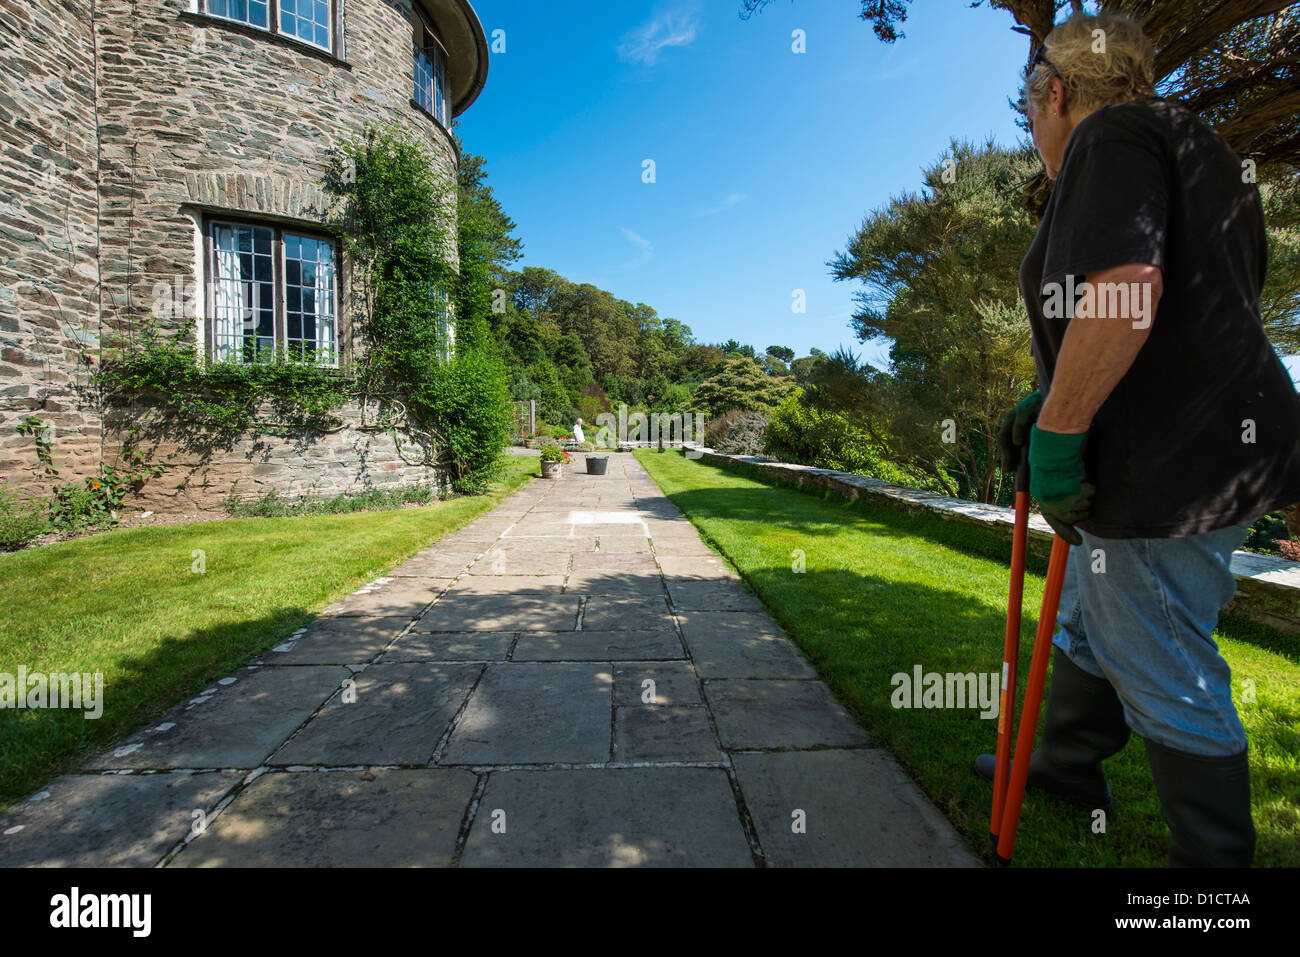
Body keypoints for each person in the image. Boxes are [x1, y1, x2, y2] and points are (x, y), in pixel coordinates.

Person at [976, 11, 1300, 866]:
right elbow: (1198, 314)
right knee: (1091, 609)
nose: (1034, 128)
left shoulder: (1111, 137)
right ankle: (1068, 769)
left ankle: (1213, 883)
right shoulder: (1195, 144)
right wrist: (1051, 392)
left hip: (1169, 461)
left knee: (1156, 650)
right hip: (1226, 441)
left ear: (1051, 91)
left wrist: (1059, 432)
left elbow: (1127, 288)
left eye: (1030, 107)